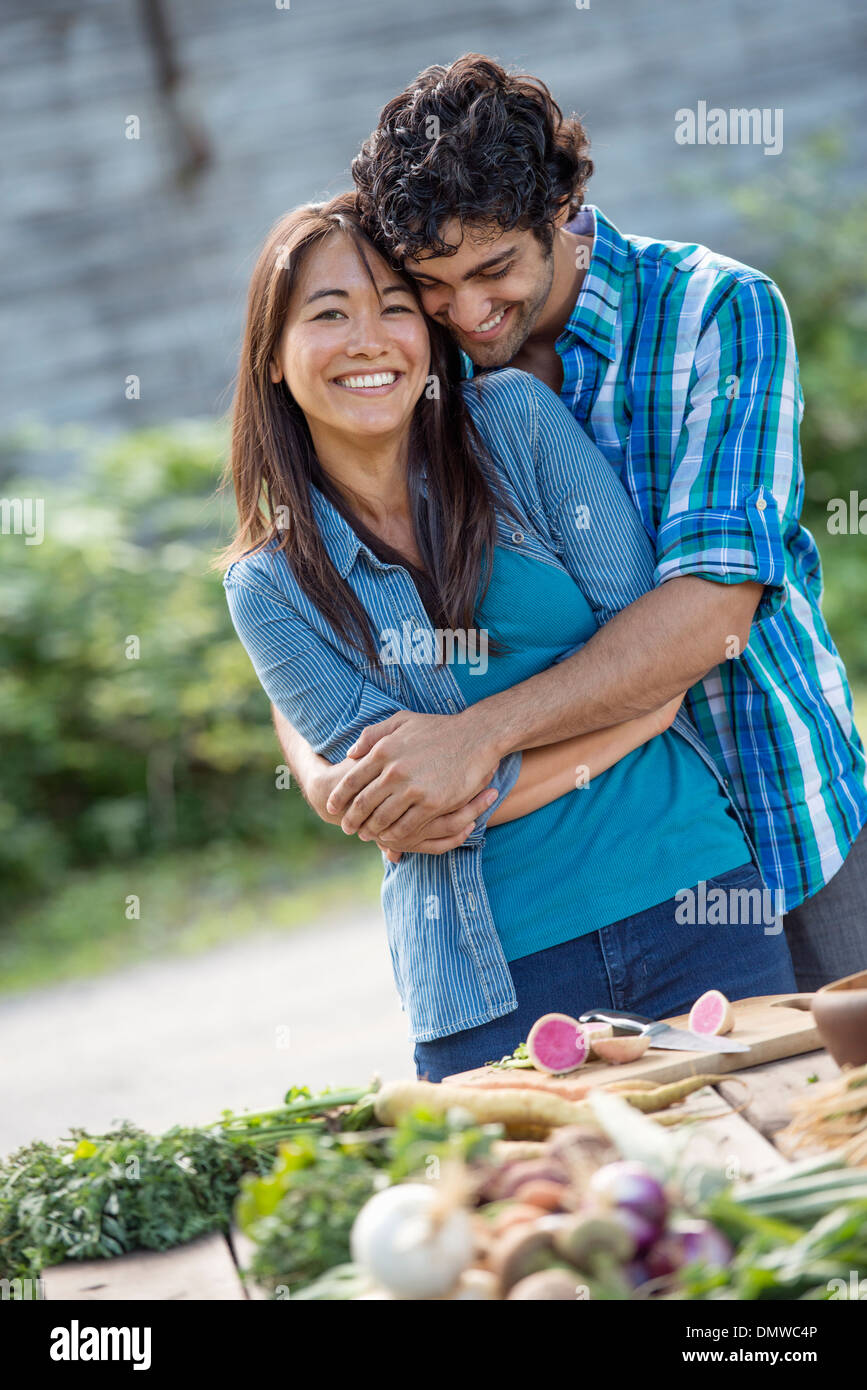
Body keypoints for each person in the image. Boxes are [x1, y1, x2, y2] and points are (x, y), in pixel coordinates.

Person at [274, 54, 867, 994]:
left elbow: (714, 609)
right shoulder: (417, 361)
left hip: (780, 808)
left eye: (494, 269)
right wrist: (330, 774)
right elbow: (312, 590)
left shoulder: (713, 309)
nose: (467, 312)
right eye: (431, 282)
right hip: (597, 877)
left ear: (560, 207)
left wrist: (476, 737)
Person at [222, 195, 796, 1080]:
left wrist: (476, 753)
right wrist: (631, 715)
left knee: (758, 1180)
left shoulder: (516, 423)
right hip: (489, 974)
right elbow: (409, 813)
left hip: (689, 896)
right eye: (329, 314)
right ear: (270, 358)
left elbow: (662, 653)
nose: (369, 338)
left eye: (395, 307)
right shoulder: (267, 588)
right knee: (540, 1215)